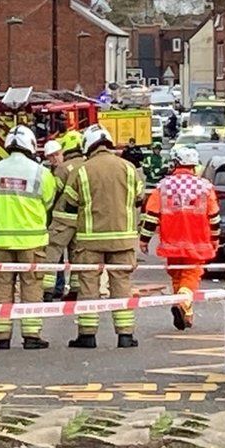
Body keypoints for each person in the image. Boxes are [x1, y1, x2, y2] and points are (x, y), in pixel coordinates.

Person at [63, 125, 142, 349]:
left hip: (90, 240)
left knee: (89, 286)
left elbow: (69, 202)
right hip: (123, 240)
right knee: (122, 286)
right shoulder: (129, 168)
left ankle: (87, 335)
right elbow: (139, 198)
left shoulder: (82, 170)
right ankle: (125, 335)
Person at [0, 125, 56, 350]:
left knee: (2, 288)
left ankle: (2, 336)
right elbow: (48, 201)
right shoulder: (40, 172)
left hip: (1, 241)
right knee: (32, 287)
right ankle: (31, 335)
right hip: (31, 241)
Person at [139, 147, 221, 330]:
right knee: (191, 276)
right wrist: (215, 239)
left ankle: (186, 314)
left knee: (177, 275)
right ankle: (183, 303)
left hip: (171, 243)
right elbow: (214, 217)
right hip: (198, 242)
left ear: (175, 163)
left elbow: (151, 216)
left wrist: (144, 240)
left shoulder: (163, 187)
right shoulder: (205, 187)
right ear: (194, 166)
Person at [42, 131, 84, 302]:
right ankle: (75, 289)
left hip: (62, 219)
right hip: (82, 220)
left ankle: (47, 290)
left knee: (51, 254)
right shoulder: (88, 164)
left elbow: (52, 193)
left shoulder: (63, 168)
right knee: (77, 256)